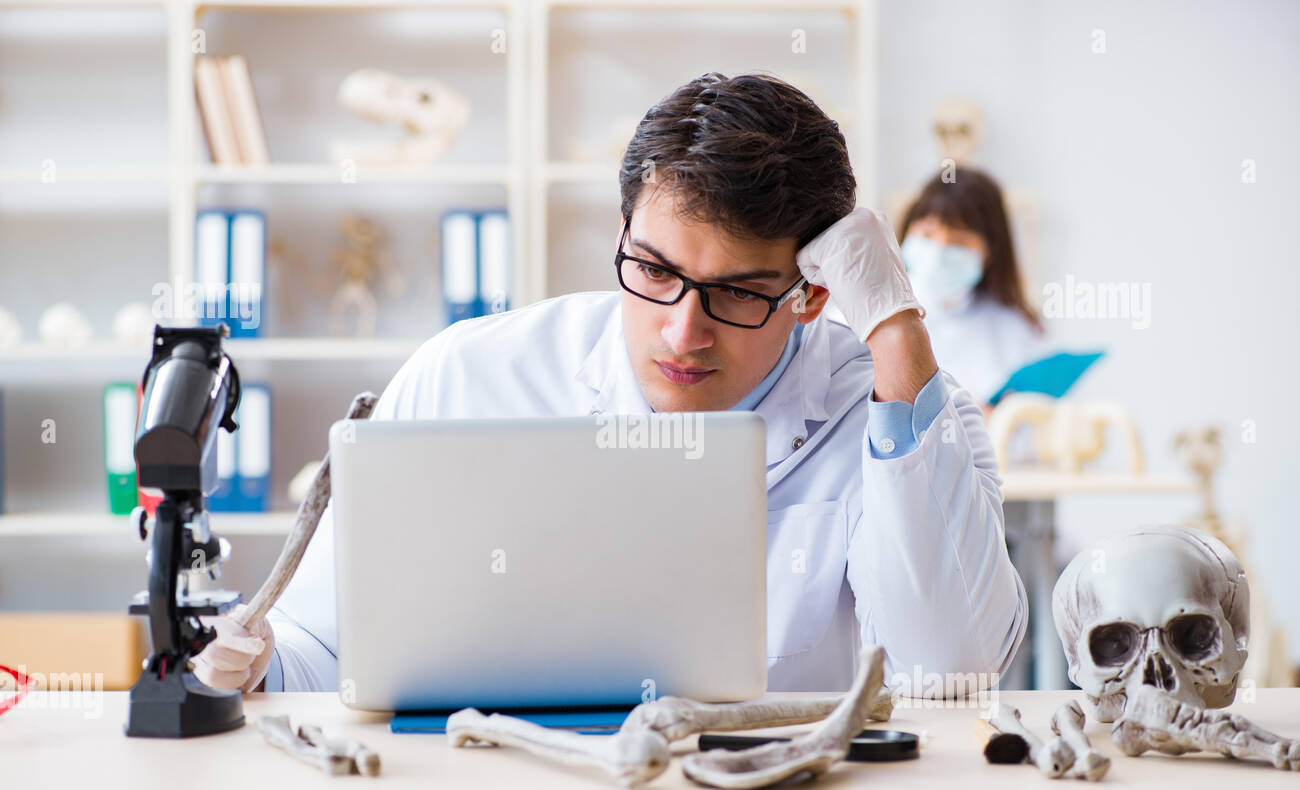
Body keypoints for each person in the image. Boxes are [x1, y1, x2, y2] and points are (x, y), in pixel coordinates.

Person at [194, 72, 1028, 699]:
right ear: (622, 231)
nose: (683, 330)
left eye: (737, 291)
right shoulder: (472, 376)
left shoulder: (905, 411)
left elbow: (948, 676)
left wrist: (893, 321)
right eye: (655, 270)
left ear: (811, 291)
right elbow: (326, 651)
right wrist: (259, 665)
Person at [898, 167, 1046, 417]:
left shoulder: (1014, 327)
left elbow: (1035, 427)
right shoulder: (865, 315)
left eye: (958, 241)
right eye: (927, 233)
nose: (938, 252)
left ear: (990, 251)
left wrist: (999, 418)